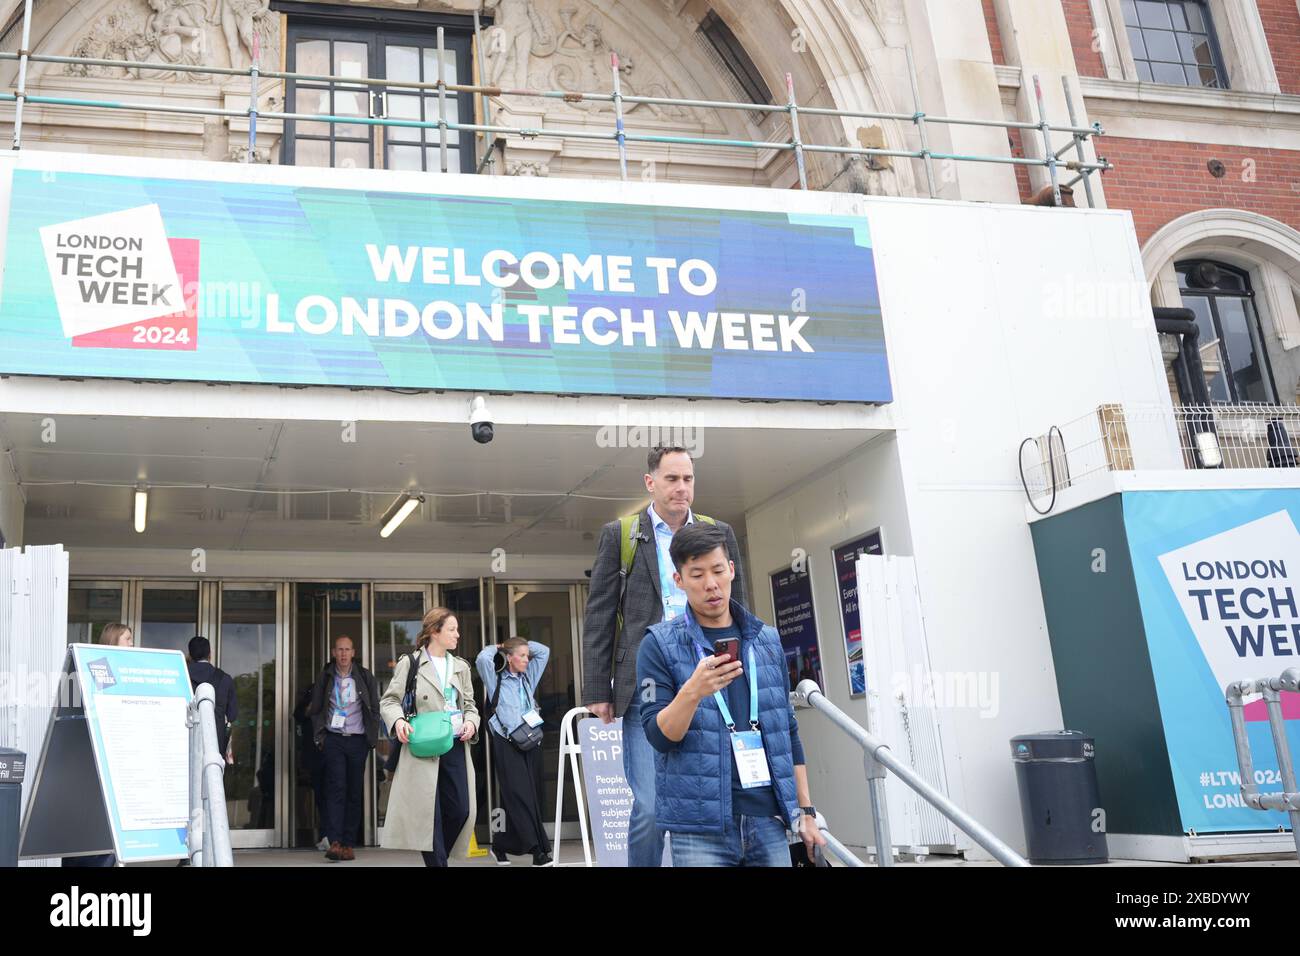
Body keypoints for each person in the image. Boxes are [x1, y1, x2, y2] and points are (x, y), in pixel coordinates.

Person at [580, 444, 748, 867]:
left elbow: (738, 606)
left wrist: (744, 671)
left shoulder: (719, 533)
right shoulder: (621, 535)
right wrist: (599, 687)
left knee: (717, 793)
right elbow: (600, 614)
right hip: (647, 682)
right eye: (671, 479)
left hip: (713, 679)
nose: (681, 488)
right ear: (650, 483)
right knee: (652, 807)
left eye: (688, 479)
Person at [637, 523, 826, 867]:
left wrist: (807, 812)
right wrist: (693, 691)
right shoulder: (658, 645)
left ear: (732, 571)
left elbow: (789, 732)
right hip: (700, 829)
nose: (710, 584)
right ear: (678, 580)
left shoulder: (766, 640)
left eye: (718, 570)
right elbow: (660, 737)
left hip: (769, 821)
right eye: (696, 574)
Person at [380, 608, 479, 867]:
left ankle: (438, 857)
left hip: (454, 743)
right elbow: (390, 701)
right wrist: (398, 720)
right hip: (422, 745)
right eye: (452, 629)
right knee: (428, 815)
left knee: (461, 810)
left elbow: (470, 705)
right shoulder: (410, 663)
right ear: (435, 631)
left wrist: (471, 722)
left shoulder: (461, 667)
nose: (458, 634)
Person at [476, 637, 551, 866]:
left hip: (530, 741)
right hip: (506, 741)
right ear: (509, 658)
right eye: (521, 656)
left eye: (527, 656)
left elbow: (544, 650)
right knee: (519, 794)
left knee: (525, 795)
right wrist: (499, 647)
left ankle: (501, 845)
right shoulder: (495, 680)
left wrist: (522, 643)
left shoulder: (528, 677)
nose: (527, 660)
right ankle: (537, 849)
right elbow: (482, 658)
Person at [308, 634, 380, 861]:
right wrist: (321, 737)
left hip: (358, 741)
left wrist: (371, 738)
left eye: (347, 649)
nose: (343, 654)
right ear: (333, 652)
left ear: (353, 652)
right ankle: (335, 841)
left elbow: (375, 709)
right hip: (334, 740)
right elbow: (317, 708)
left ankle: (349, 843)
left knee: (354, 792)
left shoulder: (365, 676)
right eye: (339, 649)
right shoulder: (326, 677)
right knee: (335, 790)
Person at [187, 636, 237, 758]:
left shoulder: (182, 676)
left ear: (190, 655)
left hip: (186, 744)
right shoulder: (225, 679)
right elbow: (232, 715)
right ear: (210, 654)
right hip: (215, 746)